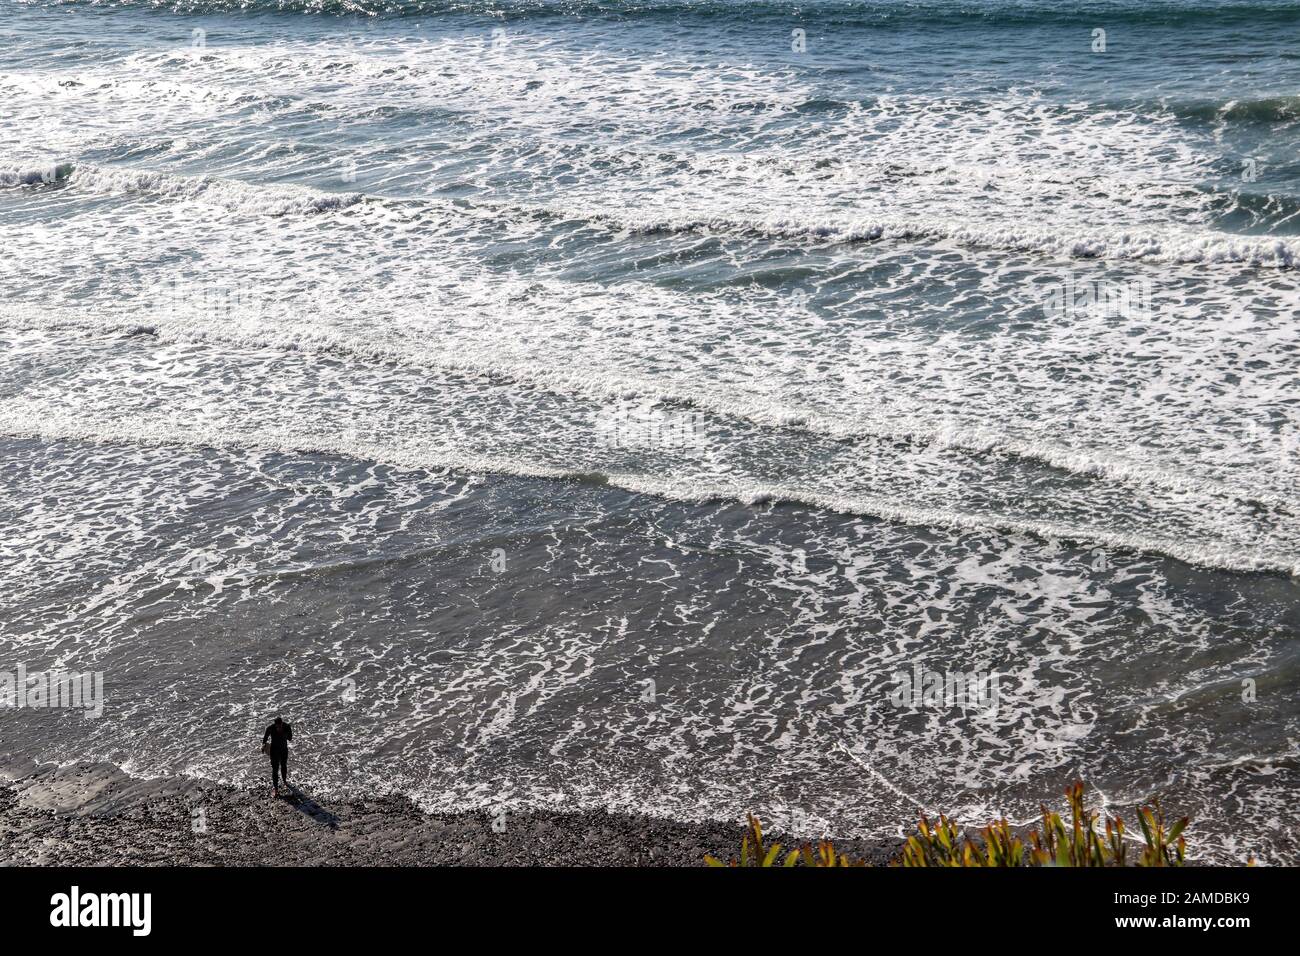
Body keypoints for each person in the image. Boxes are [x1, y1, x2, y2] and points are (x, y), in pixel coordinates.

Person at [262, 715, 293, 796]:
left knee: (284, 766)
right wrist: (263, 746)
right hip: (274, 750)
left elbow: (290, 738)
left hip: (283, 749)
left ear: (282, 723)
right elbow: (265, 738)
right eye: (277, 726)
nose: (279, 727)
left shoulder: (287, 727)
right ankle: (276, 789)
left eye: (280, 726)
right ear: (275, 724)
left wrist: (284, 733)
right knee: (275, 769)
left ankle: (285, 781)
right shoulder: (270, 728)